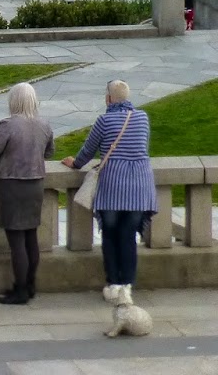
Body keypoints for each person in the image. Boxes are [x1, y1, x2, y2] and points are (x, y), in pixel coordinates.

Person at [62, 79, 155, 297]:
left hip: (113, 186)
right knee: (128, 235)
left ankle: (113, 283)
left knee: (110, 234)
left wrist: (73, 163)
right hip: (140, 188)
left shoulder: (104, 121)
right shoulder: (142, 118)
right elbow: (143, 147)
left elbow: (86, 153)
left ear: (108, 98)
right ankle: (127, 285)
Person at [0, 83, 55, 304]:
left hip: (13, 185)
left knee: (16, 241)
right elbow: (49, 152)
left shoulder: (8, 125)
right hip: (35, 185)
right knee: (30, 236)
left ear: (13, 101)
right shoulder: (44, 124)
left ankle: (20, 290)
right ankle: (30, 285)